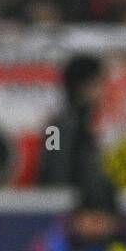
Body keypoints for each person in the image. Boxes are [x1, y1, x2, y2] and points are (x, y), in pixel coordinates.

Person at [36, 54, 104, 188]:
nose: (104, 89)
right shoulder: (55, 128)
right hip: (67, 202)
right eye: (100, 83)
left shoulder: (91, 122)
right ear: (85, 87)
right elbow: (52, 170)